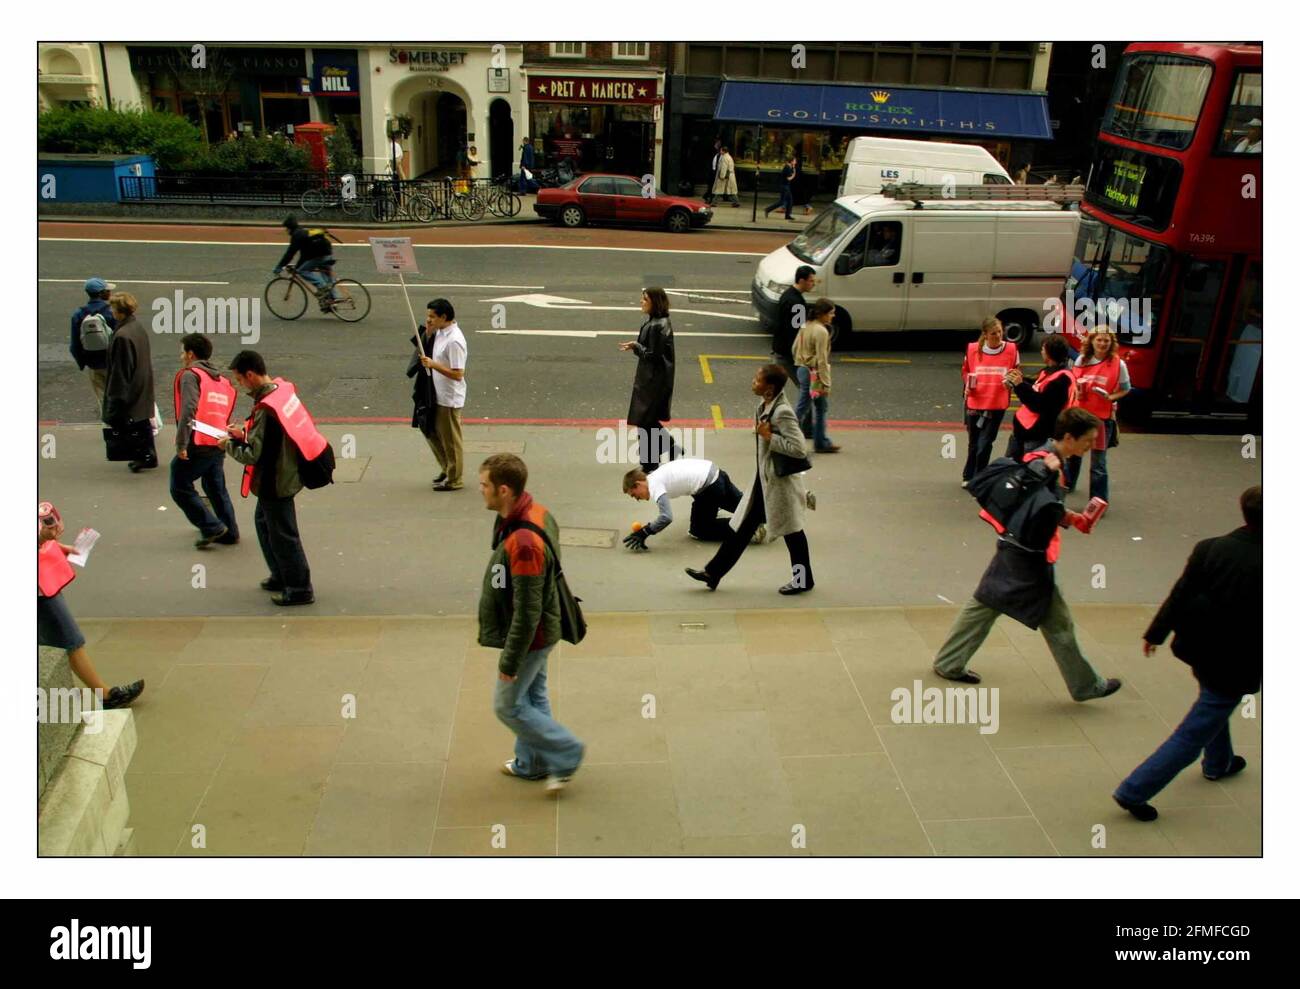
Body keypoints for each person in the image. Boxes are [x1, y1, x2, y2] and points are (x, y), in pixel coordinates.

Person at [933, 407, 1123, 702]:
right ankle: (1086, 686)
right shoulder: (1046, 463)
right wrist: (1047, 478)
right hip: (1029, 557)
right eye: (1087, 441)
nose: (1090, 447)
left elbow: (1043, 506)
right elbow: (1029, 498)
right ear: (1069, 438)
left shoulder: (1051, 460)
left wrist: (1073, 518)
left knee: (984, 604)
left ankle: (949, 662)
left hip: (1015, 546)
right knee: (1058, 624)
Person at [1113, 486, 1262, 821]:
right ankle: (1134, 791)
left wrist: (1156, 633)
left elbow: (1181, 592)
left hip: (1199, 647)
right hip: (1237, 659)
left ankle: (1218, 763)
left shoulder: (1210, 548)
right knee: (1195, 729)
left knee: (1212, 702)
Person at [478, 453, 585, 792]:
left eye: (484, 485)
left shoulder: (524, 543)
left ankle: (567, 752)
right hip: (543, 629)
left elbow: (527, 610)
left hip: (530, 636)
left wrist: (509, 660)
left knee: (507, 706)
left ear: (504, 490)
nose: (480, 490)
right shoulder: (535, 510)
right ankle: (532, 763)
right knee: (533, 697)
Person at [686, 365, 815, 595]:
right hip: (764, 482)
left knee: (793, 532)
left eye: (758, 379)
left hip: (780, 484)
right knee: (742, 528)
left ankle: (803, 580)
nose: (753, 382)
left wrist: (770, 437)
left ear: (770, 388)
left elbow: (799, 449)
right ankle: (713, 574)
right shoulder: (764, 406)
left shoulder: (782, 411)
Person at [220, 351, 324, 607]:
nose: (239, 385)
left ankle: (299, 588)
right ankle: (280, 575)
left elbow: (253, 454)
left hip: (276, 480)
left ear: (251, 375)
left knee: (283, 534)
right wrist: (243, 432)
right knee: (264, 523)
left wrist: (228, 445)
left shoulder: (266, 408)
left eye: (239, 380)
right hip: (287, 471)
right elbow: (270, 436)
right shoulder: (281, 391)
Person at [39, 503, 144, 709]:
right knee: (70, 640)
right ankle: (105, 696)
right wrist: (43, 538)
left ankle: (59, 693)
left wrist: (57, 547)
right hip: (40, 593)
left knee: (57, 641)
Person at [170, 333, 240, 548]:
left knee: (179, 485)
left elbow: (189, 408)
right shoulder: (222, 380)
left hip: (197, 440)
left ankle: (212, 527)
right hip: (218, 439)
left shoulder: (191, 375)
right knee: (215, 487)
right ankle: (230, 531)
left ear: (191, 354)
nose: (182, 356)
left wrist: (181, 443)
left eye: (183, 351)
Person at [622, 457, 776, 546]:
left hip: (709, 488)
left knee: (700, 530)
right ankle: (771, 514)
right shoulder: (655, 475)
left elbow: (666, 517)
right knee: (746, 507)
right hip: (715, 472)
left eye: (635, 495)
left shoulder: (654, 485)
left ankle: (750, 528)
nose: (638, 499)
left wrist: (645, 532)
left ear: (638, 484)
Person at [407, 298, 467, 491]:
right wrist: (429, 332)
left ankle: (454, 478)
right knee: (431, 433)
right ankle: (446, 467)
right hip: (434, 393)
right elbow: (424, 347)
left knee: (450, 441)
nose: (429, 319)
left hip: (448, 398)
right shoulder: (440, 331)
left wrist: (433, 365)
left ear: (444, 316)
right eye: (428, 315)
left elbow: (458, 374)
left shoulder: (455, 340)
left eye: (432, 316)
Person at [1064, 328, 1129, 501]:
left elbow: (1125, 389)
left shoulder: (1118, 364)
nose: (1102, 344)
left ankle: (1098, 500)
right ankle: (1068, 484)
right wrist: (1077, 391)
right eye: (1099, 340)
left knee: (1098, 463)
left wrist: (1111, 397)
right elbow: (1073, 382)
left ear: (1111, 343)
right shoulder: (1082, 360)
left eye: (1106, 341)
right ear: (1092, 341)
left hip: (1101, 420)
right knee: (1073, 455)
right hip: (1080, 416)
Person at [619, 287, 679, 473]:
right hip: (652, 380)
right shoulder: (657, 322)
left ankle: (651, 462)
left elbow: (653, 355)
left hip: (653, 382)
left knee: (646, 422)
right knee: (646, 422)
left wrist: (636, 346)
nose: (641, 301)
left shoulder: (657, 326)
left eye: (645, 299)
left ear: (655, 302)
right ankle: (656, 457)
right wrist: (636, 346)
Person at [101, 291, 158, 473]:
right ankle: (148, 455)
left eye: (113, 308)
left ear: (119, 311)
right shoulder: (136, 327)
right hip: (141, 383)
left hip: (130, 388)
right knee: (142, 423)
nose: (111, 311)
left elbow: (120, 370)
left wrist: (115, 398)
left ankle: (142, 456)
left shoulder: (122, 336)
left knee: (131, 424)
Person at [961, 316, 1020, 487]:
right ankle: (968, 475)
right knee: (974, 442)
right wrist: (968, 383)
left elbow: (1016, 371)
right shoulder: (973, 349)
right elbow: (966, 370)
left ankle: (980, 477)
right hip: (975, 402)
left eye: (1000, 332)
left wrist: (1011, 380)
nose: (998, 336)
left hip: (996, 403)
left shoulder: (1011, 349)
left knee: (985, 443)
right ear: (985, 335)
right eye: (993, 333)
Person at [1004, 334, 1075, 463]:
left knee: (1025, 470)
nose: (1041, 351)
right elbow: (1037, 385)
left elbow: (1040, 405)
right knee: (1008, 467)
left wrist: (1020, 385)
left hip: (1034, 436)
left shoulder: (1061, 380)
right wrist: (1020, 379)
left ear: (1049, 353)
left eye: (1043, 349)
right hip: (1023, 433)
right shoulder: (1052, 370)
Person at [793, 298, 841, 453]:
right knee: (818, 408)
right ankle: (820, 442)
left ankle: (820, 441)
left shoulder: (805, 325)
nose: (832, 316)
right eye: (831, 313)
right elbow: (822, 359)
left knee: (805, 405)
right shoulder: (821, 331)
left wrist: (800, 361)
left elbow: (795, 348)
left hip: (801, 369)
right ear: (822, 314)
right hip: (814, 373)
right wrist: (826, 382)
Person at [70, 277, 116, 412]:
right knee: (117, 397)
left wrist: (83, 362)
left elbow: (75, 345)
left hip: (93, 364)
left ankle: (107, 427)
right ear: (102, 293)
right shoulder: (111, 312)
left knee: (102, 400)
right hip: (112, 363)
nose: (110, 292)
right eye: (107, 290)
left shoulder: (79, 314)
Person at [274, 216, 341, 308]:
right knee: (326, 275)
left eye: (286, 229)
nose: (286, 231)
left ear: (290, 228)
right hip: (326, 252)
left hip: (319, 255)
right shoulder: (303, 232)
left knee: (303, 271)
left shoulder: (296, 236)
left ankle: (322, 287)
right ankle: (333, 300)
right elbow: (304, 256)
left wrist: (279, 267)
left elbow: (290, 254)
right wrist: (297, 266)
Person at [772, 266, 816, 387]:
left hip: (781, 349)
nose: (813, 284)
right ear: (802, 281)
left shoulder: (788, 294)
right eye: (811, 281)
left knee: (775, 388)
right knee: (806, 387)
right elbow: (797, 332)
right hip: (788, 355)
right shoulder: (797, 303)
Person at [764, 155, 797, 220]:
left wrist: (793, 168)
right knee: (782, 202)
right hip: (784, 186)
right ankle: (768, 209)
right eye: (795, 161)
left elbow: (790, 173)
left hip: (786, 186)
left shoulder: (789, 166)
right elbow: (789, 178)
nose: (796, 162)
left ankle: (787, 215)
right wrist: (794, 175)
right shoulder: (787, 167)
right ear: (791, 161)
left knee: (789, 201)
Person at [704, 138, 722, 205]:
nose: (720, 144)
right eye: (719, 142)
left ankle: (708, 197)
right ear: (716, 142)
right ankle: (708, 198)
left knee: (712, 186)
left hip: (714, 170)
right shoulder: (713, 150)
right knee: (711, 186)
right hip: (711, 171)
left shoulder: (718, 150)